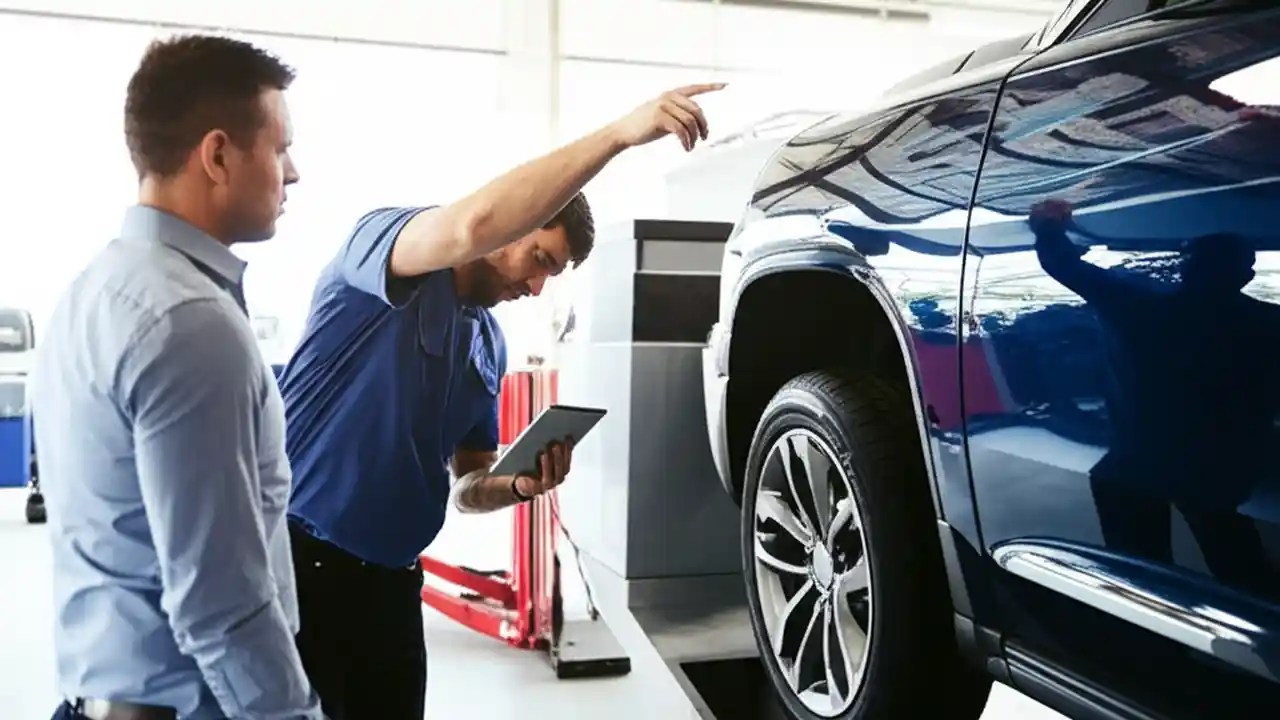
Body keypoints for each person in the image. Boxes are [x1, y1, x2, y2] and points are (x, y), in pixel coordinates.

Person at [278, 82, 725, 719]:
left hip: (394, 583)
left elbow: (467, 486)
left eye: (552, 274)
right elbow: (471, 223)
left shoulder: (486, 341)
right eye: (539, 258)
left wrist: (517, 485)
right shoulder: (382, 249)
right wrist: (621, 135)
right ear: (511, 228)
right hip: (300, 565)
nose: (537, 287)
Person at [31, 35, 321, 719]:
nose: (294, 172)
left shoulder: (94, 289)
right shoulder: (189, 322)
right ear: (218, 155)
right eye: (280, 149)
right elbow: (219, 600)